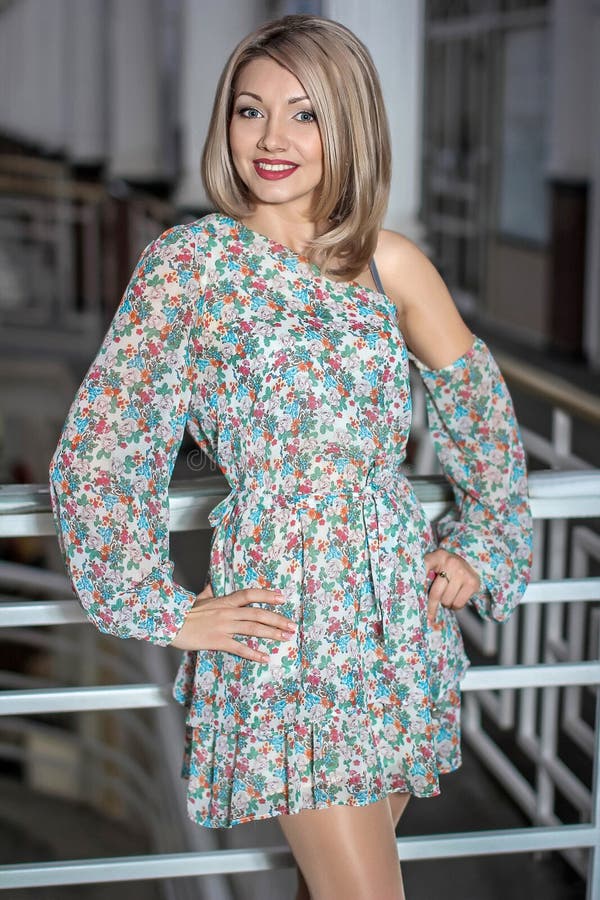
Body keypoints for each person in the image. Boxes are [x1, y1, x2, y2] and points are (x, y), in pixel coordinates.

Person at [48, 13, 533, 900]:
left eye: (304, 114)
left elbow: (486, 424)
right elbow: (100, 453)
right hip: (285, 626)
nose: (271, 139)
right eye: (249, 110)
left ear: (348, 125)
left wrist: (483, 541)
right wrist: (161, 607)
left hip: (395, 619)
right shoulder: (189, 266)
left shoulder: (391, 264)